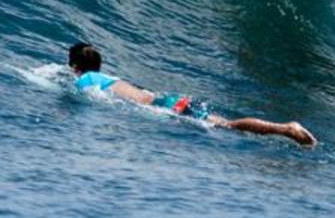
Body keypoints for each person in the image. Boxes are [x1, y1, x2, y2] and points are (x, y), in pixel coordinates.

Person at [68, 42, 317, 147]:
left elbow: (92, 100)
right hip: (169, 100)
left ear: (75, 66)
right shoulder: (109, 77)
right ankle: (284, 129)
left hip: (166, 107)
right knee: (226, 125)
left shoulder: (85, 79)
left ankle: (285, 129)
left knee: (228, 126)